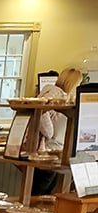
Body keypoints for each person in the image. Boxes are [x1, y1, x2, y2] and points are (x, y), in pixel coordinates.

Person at [31, 66, 84, 195]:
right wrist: (49, 132)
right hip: (49, 152)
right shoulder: (56, 93)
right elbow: (41, 112)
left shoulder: (59, 95)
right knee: (41, 192)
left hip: (55, 152)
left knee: (45, 191)